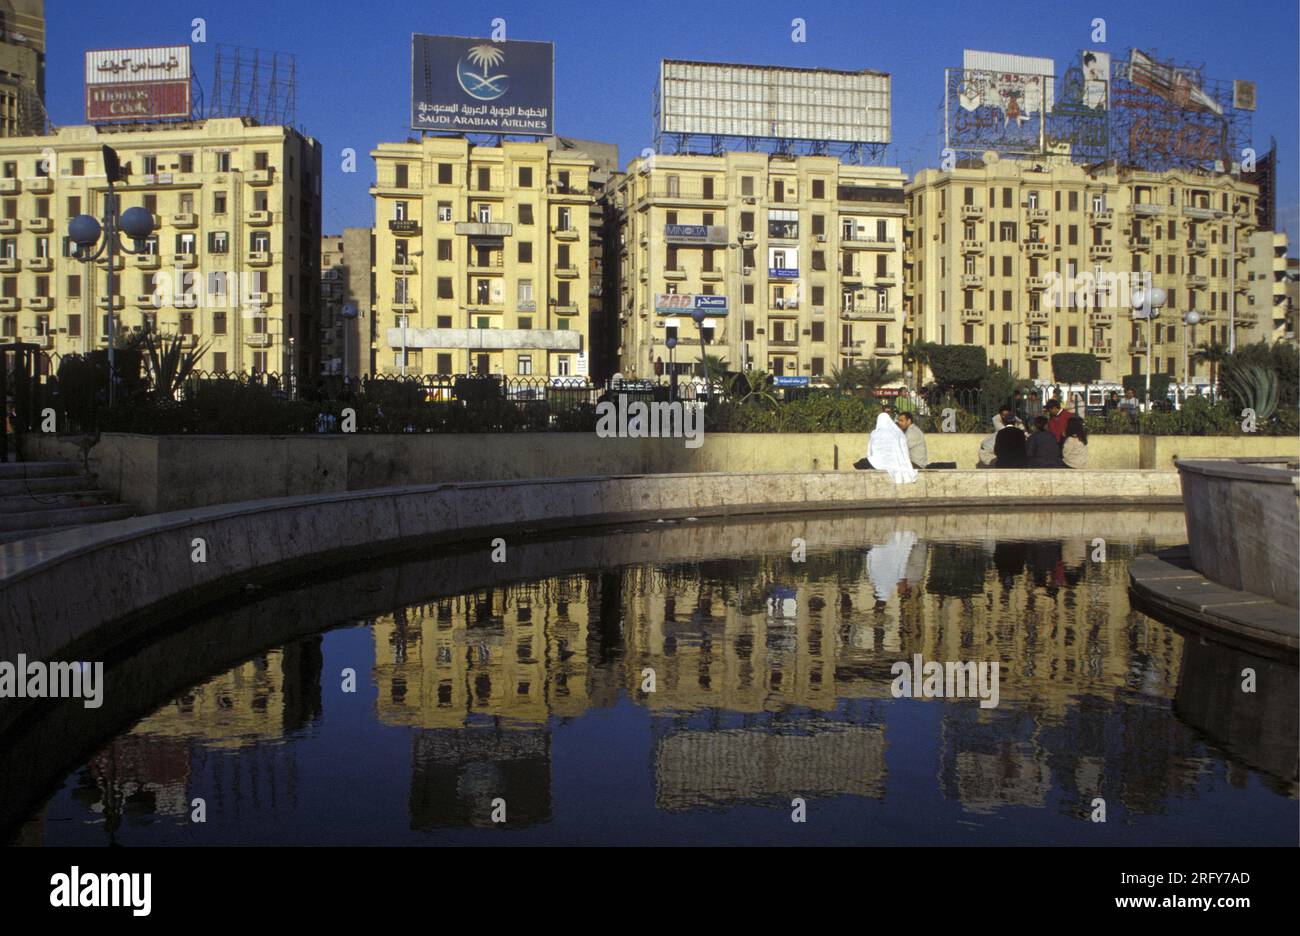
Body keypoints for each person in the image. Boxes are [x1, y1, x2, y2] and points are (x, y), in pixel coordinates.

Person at [865, 411, 918, 483]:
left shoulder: (875, 433)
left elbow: (869, 451)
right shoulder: (898, 432)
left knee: (861, 463)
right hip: (896, 463)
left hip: (877, 463)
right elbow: (904, 450)